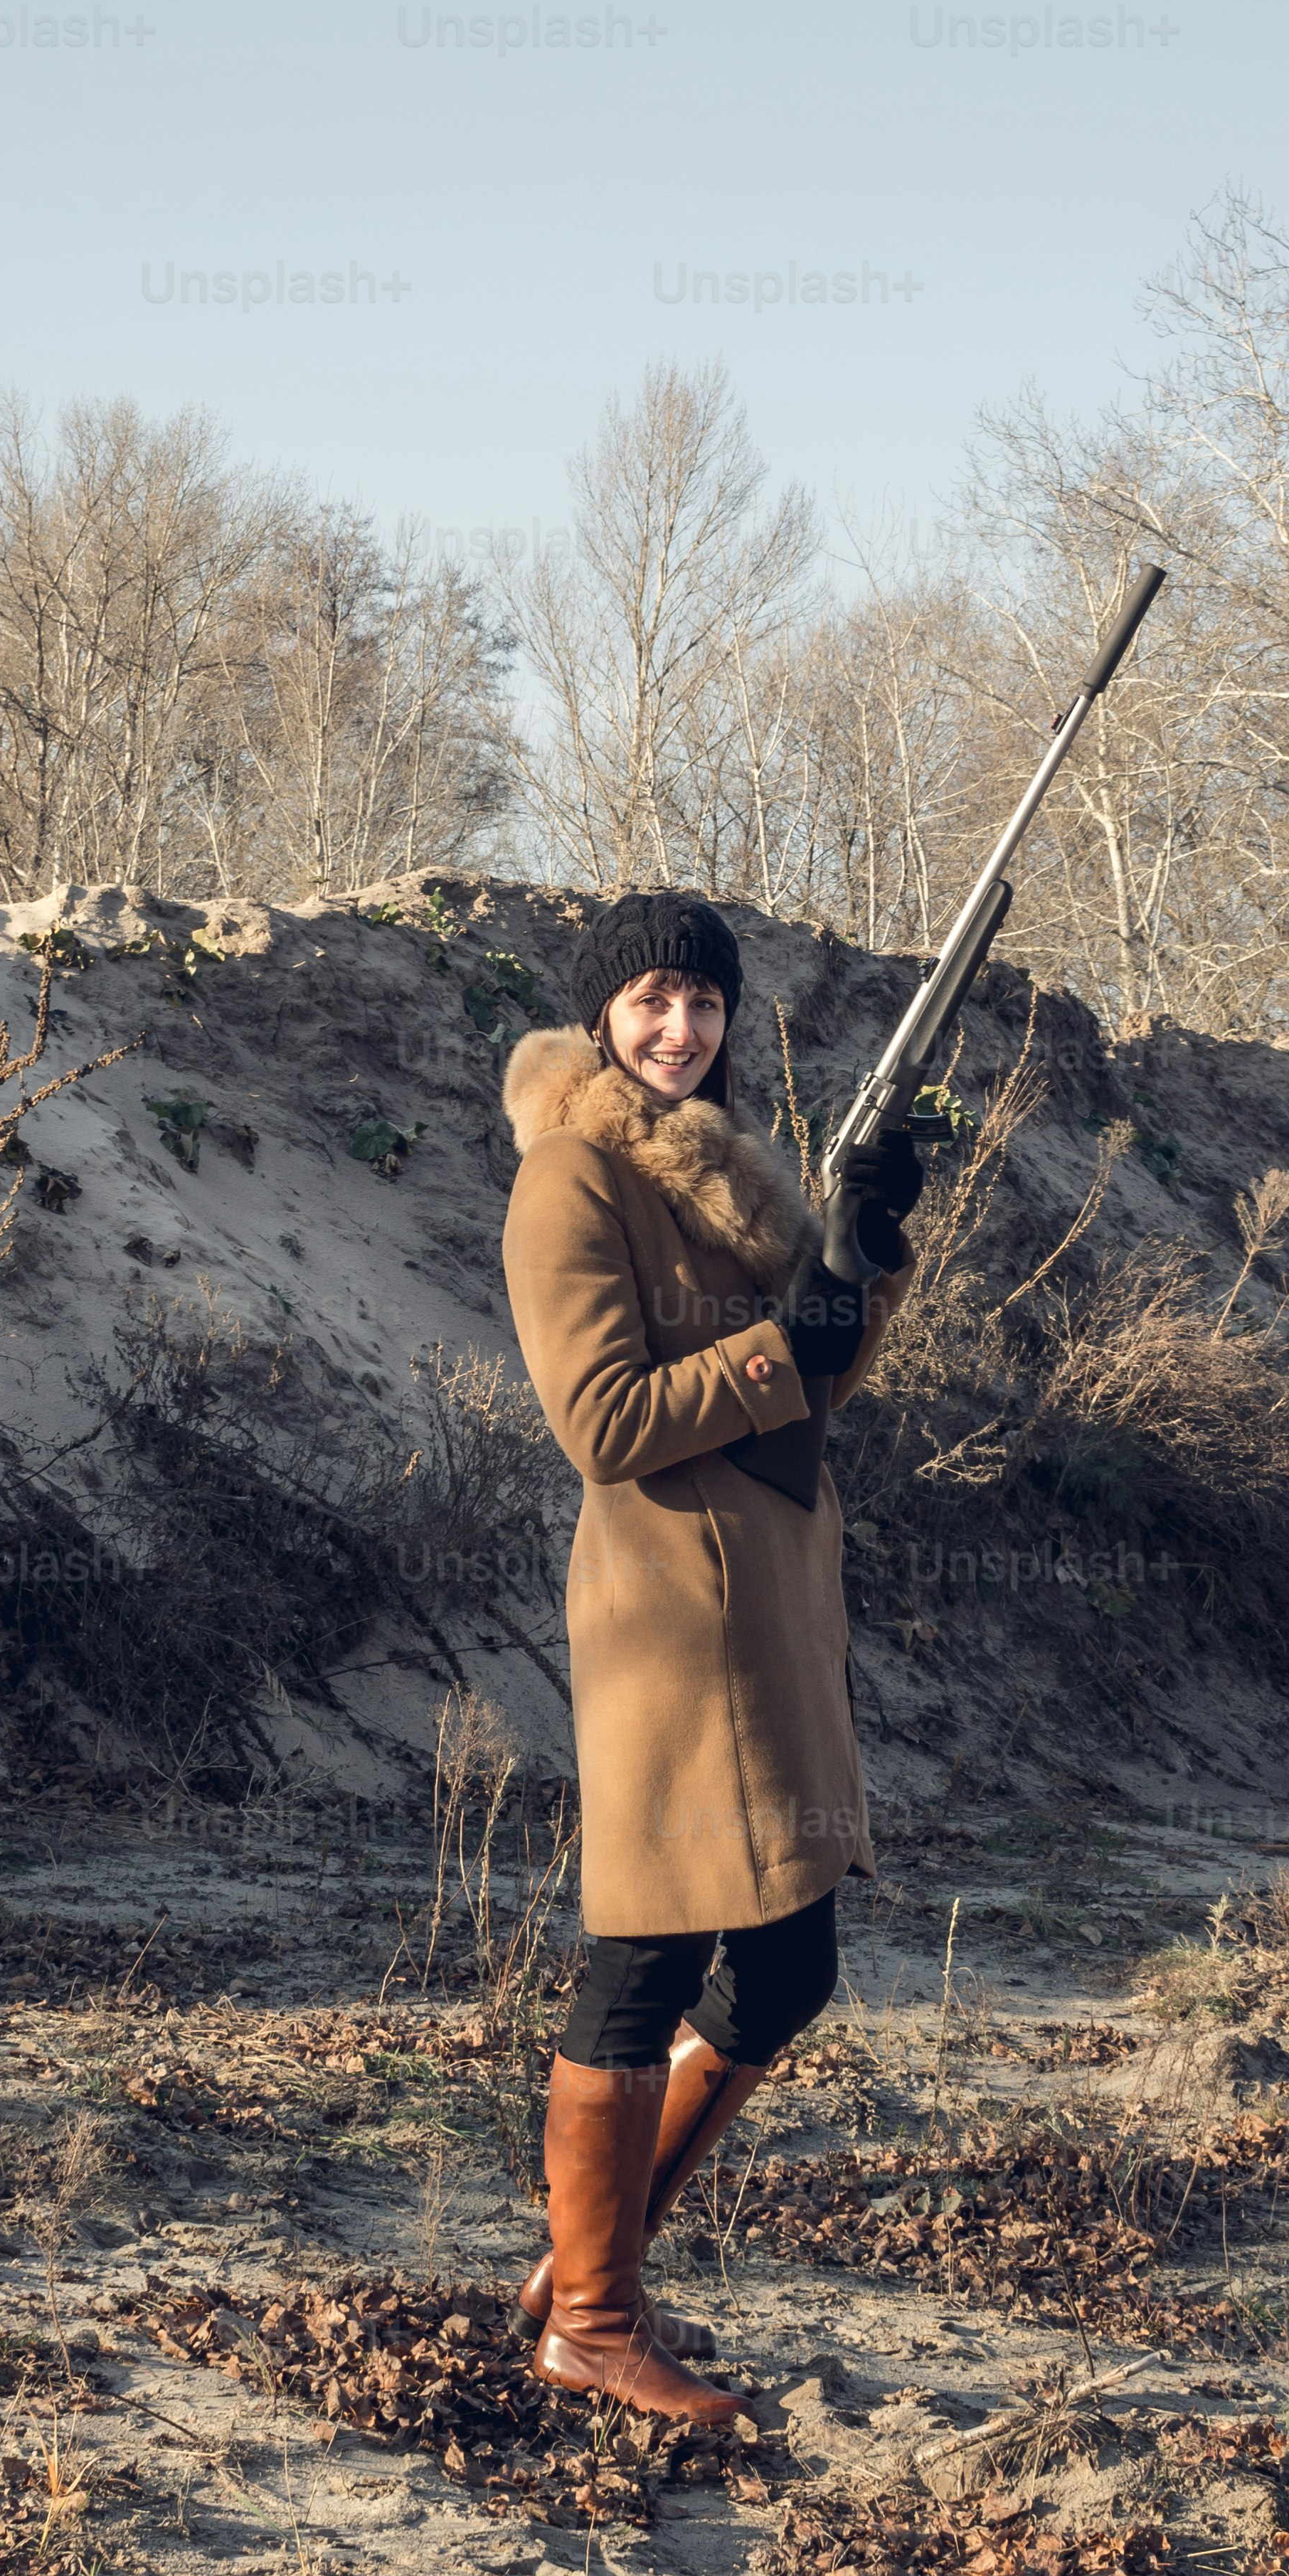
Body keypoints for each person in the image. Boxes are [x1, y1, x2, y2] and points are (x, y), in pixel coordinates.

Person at [499, 890, 923, 2425]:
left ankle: (577, 2274)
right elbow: (602, 1420)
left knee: (792, 1960)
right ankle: (592, 2316)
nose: (684, 1028)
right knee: (650, 1952)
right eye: (656, 1000)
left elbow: (814, 1382)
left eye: (708, 1004)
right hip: (672, 1617)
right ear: (605, 1012)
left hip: (770, 1609)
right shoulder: (571, 1175)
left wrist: (866, 1254)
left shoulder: (728, 1177)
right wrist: (774, 1347)